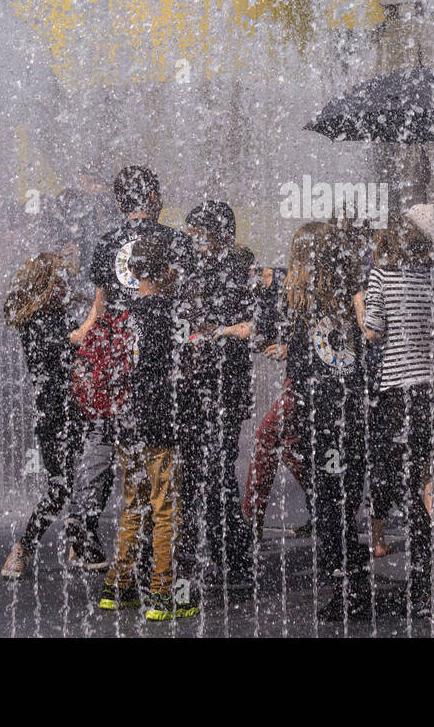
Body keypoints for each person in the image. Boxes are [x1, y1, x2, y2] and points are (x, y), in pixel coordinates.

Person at [67, 166, 195, 569]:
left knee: (105, 436)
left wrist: (81, 337)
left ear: (120, 202)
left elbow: (98, 306)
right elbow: (190, 301)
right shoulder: (176, 241)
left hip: (116, 353)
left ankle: (86, 521)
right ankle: (165, 548)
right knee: (165, 450)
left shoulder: (106, 243)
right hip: (161, 354)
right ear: (155, 196)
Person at [268, 222, 372, 621]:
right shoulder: (344, 296)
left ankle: (351, 589)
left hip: (326, 418)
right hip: (346, 414)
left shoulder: (312, 300)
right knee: (337, 507)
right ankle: (352, 583)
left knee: (329, 508)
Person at [97, 230, 197, 621]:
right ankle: (162, 592)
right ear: (168, 271)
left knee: (133, 504)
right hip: (161, 422)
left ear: (134, 271)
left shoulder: (123, 317)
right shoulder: (172, 315)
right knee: (165, 506)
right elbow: (185, 367)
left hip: (128, 423)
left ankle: (118, 587)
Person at [363, 203, 434, 619]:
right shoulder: (429, 277)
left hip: (396, 393)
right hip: (431, 389)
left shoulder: (381, 275)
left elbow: (373, 333)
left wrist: (360, 307)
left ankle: (424, 575)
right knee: (420, 479)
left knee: (403, 485)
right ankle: (431, 571)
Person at [178, 200, 256, 587]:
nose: (195, 242)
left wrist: (214, 332)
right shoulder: (201, 268)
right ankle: (218, 554)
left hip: (226, 385)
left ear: (220, 235)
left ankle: (236, 558)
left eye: (200, 234)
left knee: (216, 471)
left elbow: (249, 327)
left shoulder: (237, 271)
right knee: (201, 471)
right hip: (201, 383)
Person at [1, 249, 87, 579]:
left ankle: (78, 542)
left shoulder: (58, 315)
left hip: (77, 410)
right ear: (47, 284)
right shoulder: (35, 321)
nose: (67, 285)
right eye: (60, 280)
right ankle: (23, 548)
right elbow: (69, 343)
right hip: (53, 413)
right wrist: (94, 316)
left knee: (85, 480)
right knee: (60, 487)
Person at [242, 257, 315, 538]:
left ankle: (252, 517)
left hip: (305, 381)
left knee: (266, 435)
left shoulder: (298, 288)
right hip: (299, 380)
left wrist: (289, 349)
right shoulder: (273, 294)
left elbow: (314, 334)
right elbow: (266, 332)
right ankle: (329, 507)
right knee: (290, 445)